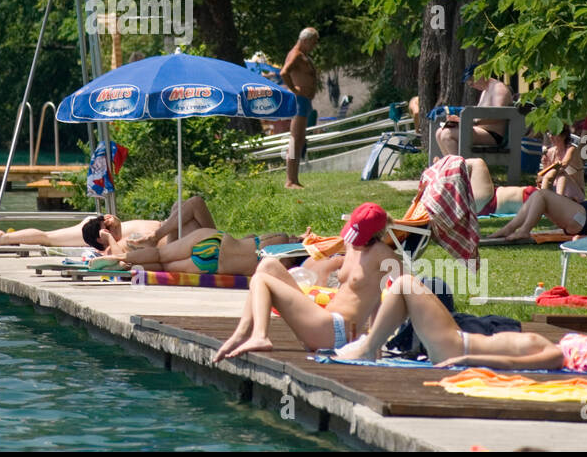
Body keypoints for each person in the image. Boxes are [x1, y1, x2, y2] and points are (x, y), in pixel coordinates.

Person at [212, 203, 402, 363]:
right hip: (322, 321)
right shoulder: (353, 247)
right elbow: (371, 295)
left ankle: (258, 336)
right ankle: (244, 332)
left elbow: (400, 291)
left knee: (261, 280)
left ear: (374, 235)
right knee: (268, 265)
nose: (354, 241)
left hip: (335, 333)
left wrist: (374, 342)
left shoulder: (381, 253)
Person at [335, 274, 587, 372]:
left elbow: (508, 362)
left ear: (578, 355)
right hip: (455, 343)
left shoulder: (553, 353)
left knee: (405, 283)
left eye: (579, 343)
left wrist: (469, 359)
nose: (573, 337)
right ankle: (371, 344)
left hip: (456, 345)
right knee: (407, 289)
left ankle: (369, 347)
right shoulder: (547, 346)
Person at [0, 196, 215, 249]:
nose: (111, 220)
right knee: (48, 237)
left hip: (177, 235)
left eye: (108, 218)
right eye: (109, 223)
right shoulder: (119, 241)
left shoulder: (116, 228)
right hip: (174, 242)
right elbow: (45, 238)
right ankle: (6, 238)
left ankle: (7, 237)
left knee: (181, 205)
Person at [92, 227, 295, 277]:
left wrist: (299, 238)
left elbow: (250, 238)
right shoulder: (282, 268)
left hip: (215, 241)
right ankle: (122, 266)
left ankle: (116, 257)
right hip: (212, 265)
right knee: (163, 266)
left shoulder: (281, 238)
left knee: (161, 254)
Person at [435, 64, 514, 156]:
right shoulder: (485, 91)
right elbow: (478, 117)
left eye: (471, 80)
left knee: (447, 135)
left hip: (493, 135)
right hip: (479, 130)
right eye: (469, 83)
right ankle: (450, 166)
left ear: (481, 74)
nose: (471, 85)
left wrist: (471, 122)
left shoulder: (498, 89)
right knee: (439, 132)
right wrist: (459, 121)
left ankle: (459, 168)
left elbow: (499, 115)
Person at [278, 27, 319, 189]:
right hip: (299, 100)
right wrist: (294, 90)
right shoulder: (295, 54)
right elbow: (284, 73)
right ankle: (290, 180)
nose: (314, 46)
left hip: (304, 101)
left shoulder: (303, 56)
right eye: (313, 43)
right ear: (306, 40)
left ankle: (295, 179)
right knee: (295, 139)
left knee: (300, 139)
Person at [537, 127, 585, 201]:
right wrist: (545, 164)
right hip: (554, 188)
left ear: (564, 136)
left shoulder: (571, 149)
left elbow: (564, 165)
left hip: (575, 193)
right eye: (549, 134)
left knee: (562, 174)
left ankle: (559, 200)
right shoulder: (550, 152)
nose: (550, 136)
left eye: (554, 134)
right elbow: (544, 175)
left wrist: (547, 173)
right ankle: (546, 199)